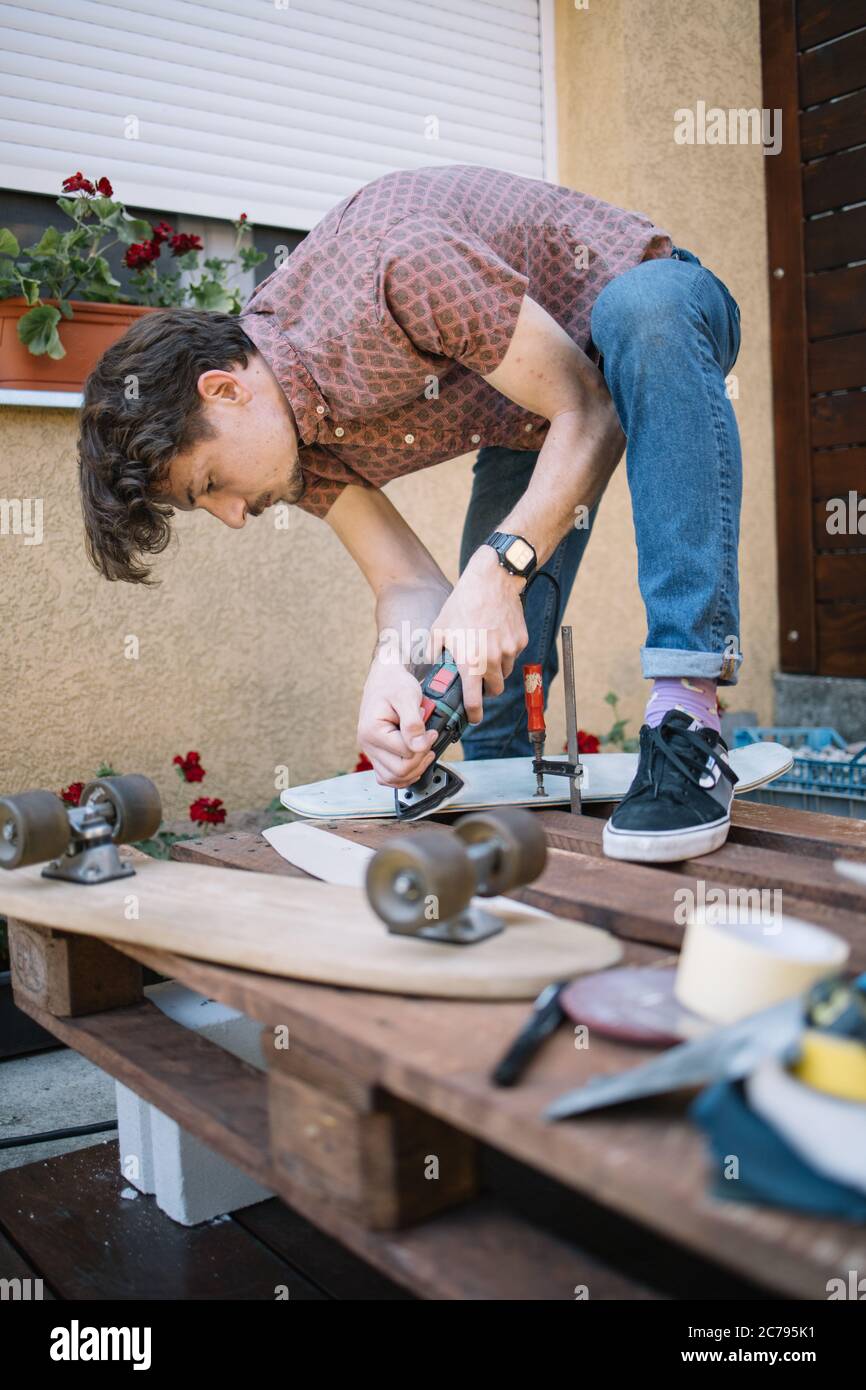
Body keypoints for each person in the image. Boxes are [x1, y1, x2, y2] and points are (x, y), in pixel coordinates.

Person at [78, 165, 743, 862]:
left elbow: (591, 408)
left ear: (224, 389)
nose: (233, 515)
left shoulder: (390, 268)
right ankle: (512, 849)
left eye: (209, 484)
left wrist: (501, 567)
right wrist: (395, 671)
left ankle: (687, 716)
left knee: (640, 308)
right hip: (533, 417)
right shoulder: (293, 448)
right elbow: (408, 586)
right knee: (479, 671)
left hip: (660, 319)